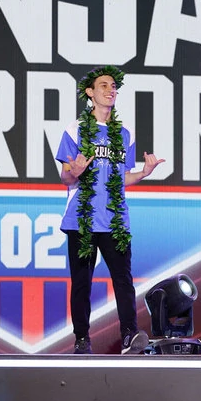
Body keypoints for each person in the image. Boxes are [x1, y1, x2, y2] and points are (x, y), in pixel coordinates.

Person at [56, 65, 164, 355]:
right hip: (82, 219)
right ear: (90, 93)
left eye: (113, 86)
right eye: (103, 85)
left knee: (124, 280)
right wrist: (75, 171)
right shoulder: (75, 129)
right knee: (82, 283)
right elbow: (65, 177)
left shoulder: (125, 133)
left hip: (115, 219)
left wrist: (144, 173)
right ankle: (82, 339)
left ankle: (129, 335)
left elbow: (122, 178)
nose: (110, 90)